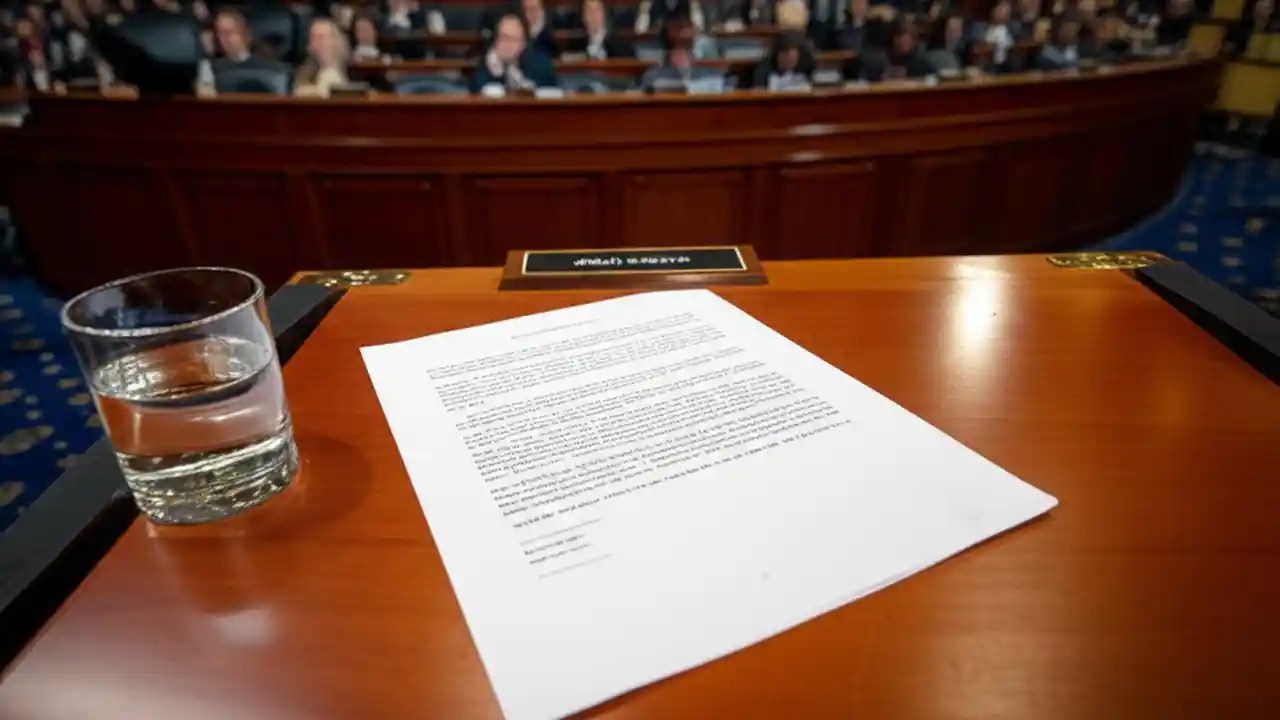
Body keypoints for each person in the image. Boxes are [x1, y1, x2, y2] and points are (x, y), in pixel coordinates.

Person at [469, 13, 558, 93]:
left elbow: (552, 93)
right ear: (496, 40)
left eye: (513, 39)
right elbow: (476, 91)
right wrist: (498, 70)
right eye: (504, 37)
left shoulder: (540, 63)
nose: (508, 44)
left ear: (522, 43)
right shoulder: (486, 63)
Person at [639, 16, 723, 91]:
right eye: (680, 27)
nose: (690, 31)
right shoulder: (653, 77)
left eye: (689, 27)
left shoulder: (712, 75)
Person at [294, 17, 350, 97]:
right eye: (313, 38)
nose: (316, 43)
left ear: (335, 41)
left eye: (321, 37)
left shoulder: (346, 69)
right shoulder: (303, 72)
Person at [567, 0, 635, 59]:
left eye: (597, 10)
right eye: (589, 10)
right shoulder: (575, 44)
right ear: (583, 16)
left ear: (604, 13)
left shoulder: (620, 46)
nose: (593, 16)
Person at [980, 0, 1016, 70]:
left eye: (1006, 7)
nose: (1003, 11)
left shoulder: (1015, 29)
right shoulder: (984, 29)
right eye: (1000, 7)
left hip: (1010, 67)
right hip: (990, 67)